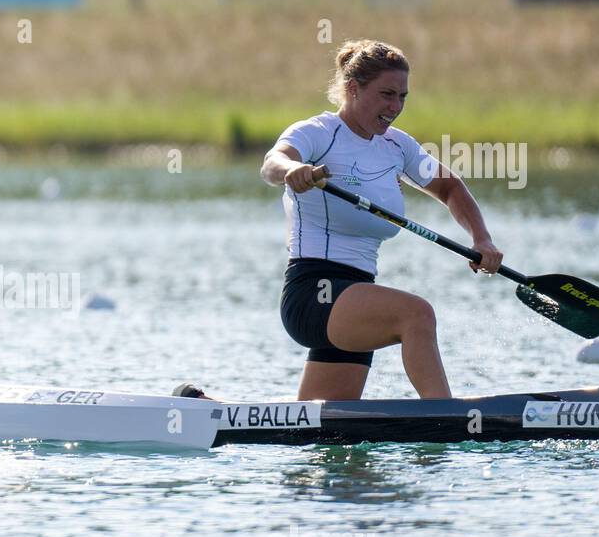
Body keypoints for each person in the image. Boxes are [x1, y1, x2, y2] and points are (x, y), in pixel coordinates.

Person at [177, 39, 503, 402]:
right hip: (316, 293)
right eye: (386, 94)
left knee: (322, 429)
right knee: (417, 315)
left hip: (358, 299)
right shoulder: (318, 132)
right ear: (353, 88)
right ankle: (446, 416)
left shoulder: (398, 146)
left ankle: (204, 408)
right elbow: (272, 163)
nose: (395, 107)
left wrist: (481, 240)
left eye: (402, 97)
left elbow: (449, 188)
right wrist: (293, 170)